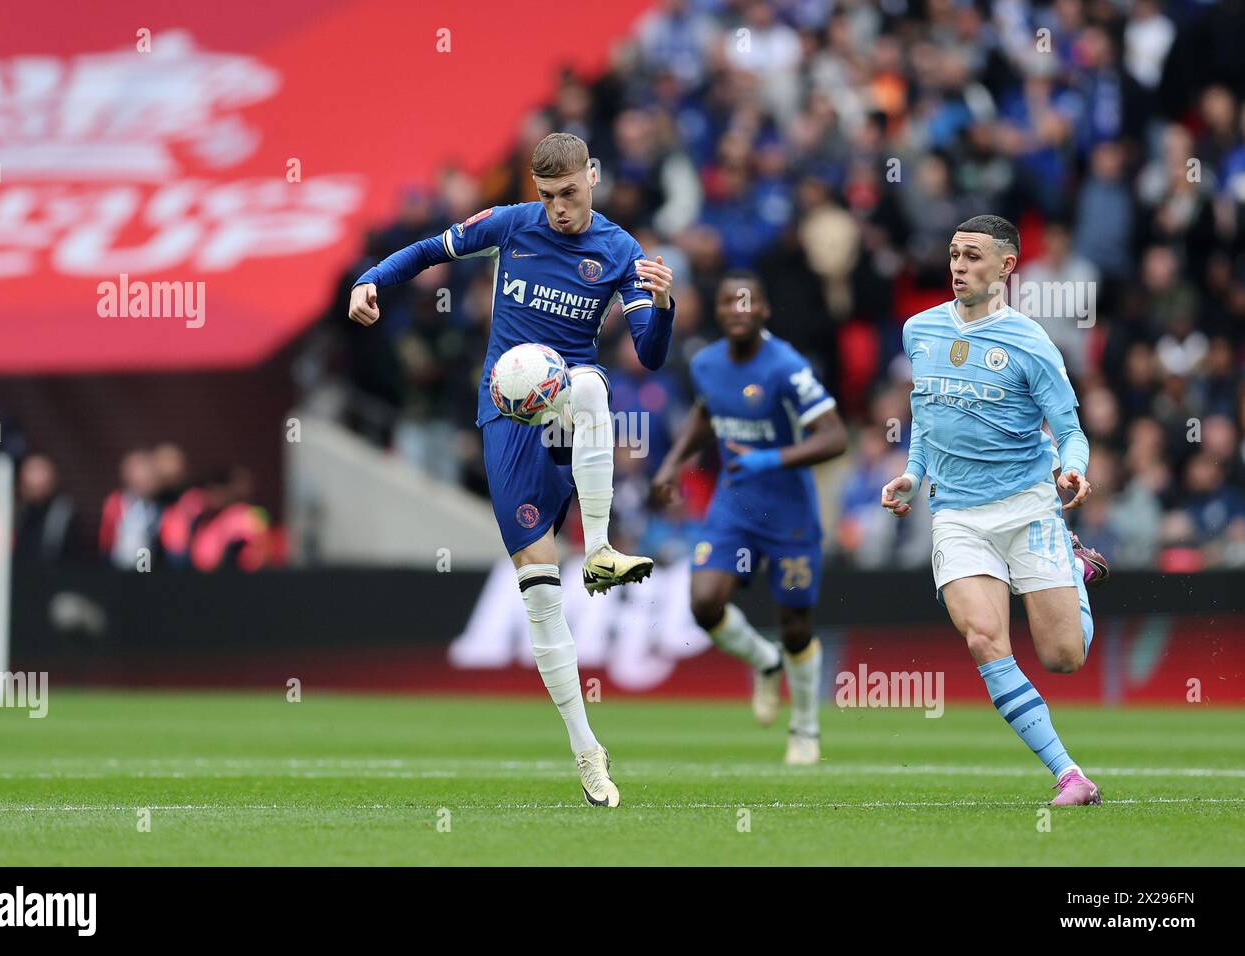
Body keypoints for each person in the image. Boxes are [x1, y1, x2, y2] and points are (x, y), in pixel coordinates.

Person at [347, 132, 678, 808]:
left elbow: (649, 354)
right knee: (540, 594)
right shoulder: (509, 226)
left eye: (570, 193)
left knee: (589, 387)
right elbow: (427, 250)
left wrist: (663, 304)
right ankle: (587, 751)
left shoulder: (619, 253)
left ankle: (604, 547)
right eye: (548, 195)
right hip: (506, 413)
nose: (559, 208)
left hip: (569, 404)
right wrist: (369, 280)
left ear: (593, 175)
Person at [880, 215, 1108, 807]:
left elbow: (1070, 431)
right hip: (956, 514)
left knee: (1064, 658)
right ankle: (1069, 776)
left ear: (1006, 266)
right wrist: (913, 473)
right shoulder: (919, 330)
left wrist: (1072, 469)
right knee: (984, 637)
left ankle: (1075, 573)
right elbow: (926, 418)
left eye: (974, 256)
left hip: (1028, 506)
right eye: (954, 254)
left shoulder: (1031, 342)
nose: (959, 265)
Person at [652, 271, 847, 764]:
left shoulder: (787, 366)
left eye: (748, 301)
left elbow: (834, 436)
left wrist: (772, 458)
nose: (738, 309)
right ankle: (764, 660)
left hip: (789, 511)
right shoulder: (706, 363)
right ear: (717, 311)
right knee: (703, 603)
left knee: (797, 625)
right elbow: (707, 413)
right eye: (728, 301)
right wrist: (674, 462)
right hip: (734, 505)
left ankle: (805, 727)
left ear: (764, 311)